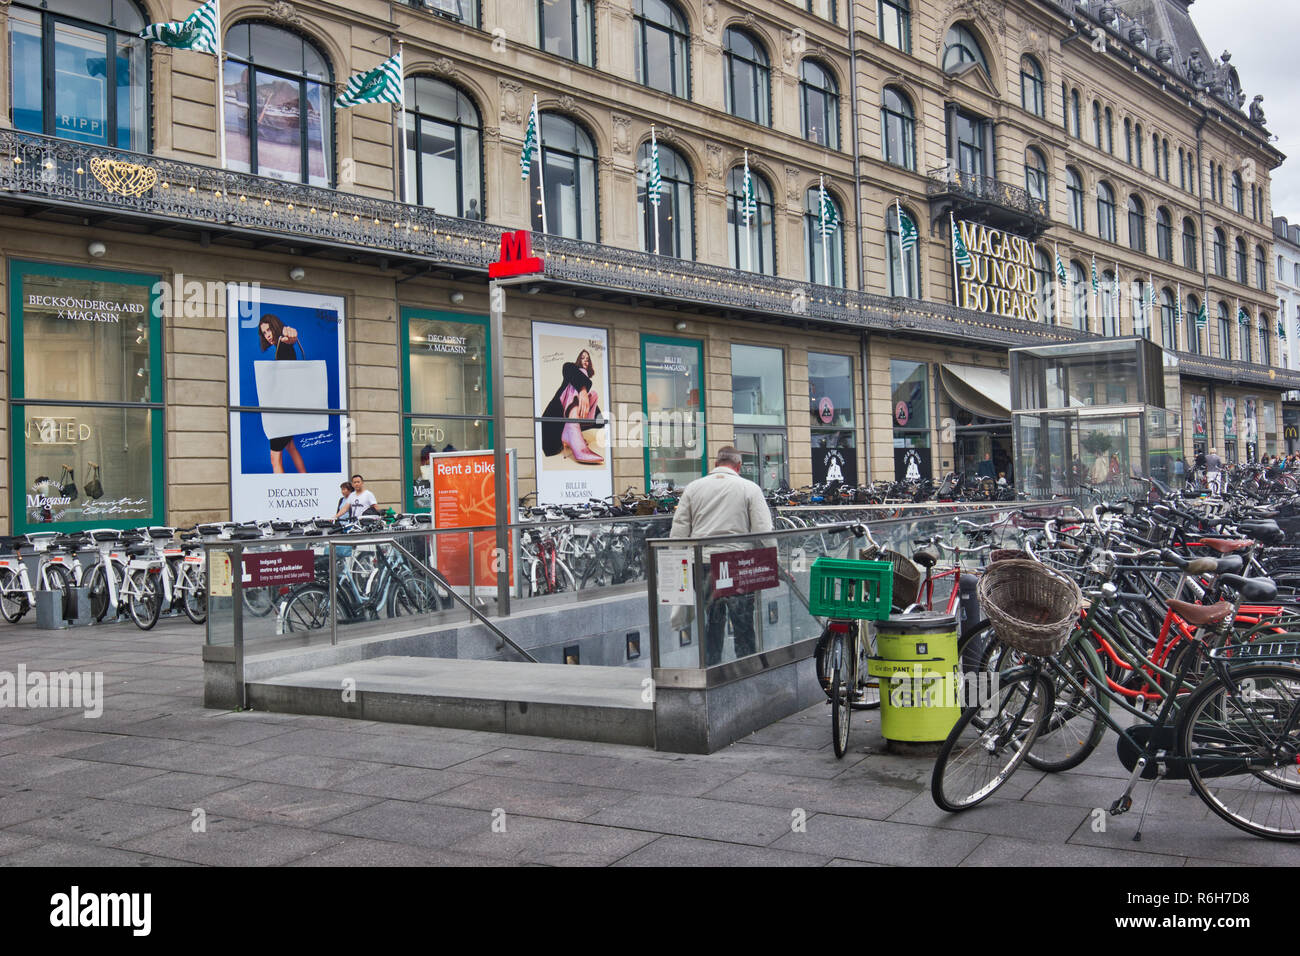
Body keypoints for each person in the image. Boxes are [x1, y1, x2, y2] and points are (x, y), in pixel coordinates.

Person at [669, 447, 773, 666]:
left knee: (712, 621)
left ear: (715, 464)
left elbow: (679, 530)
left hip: (704, 563)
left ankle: (711, 669)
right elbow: (763, 531)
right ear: (738, 466)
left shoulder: (693, 488)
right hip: (739, 564)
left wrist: (676, 568)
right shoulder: (749, 488)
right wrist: (777, 565)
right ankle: (747, 668)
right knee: (743, 622)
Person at [257, 313, 308, 474]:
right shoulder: (281, 349)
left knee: (275, 458)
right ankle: (307, 480)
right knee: (291, 447)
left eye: (269, 329)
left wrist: (289, 337)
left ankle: (280, 491)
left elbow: (290, 337)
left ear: (276, 327)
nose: (268, 335)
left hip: (284, 413)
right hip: (290, 410)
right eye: (264, 333)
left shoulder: (284, 346)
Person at [540, 349, 604, 464]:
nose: (585, 360)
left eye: (588, 359)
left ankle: (573, 431)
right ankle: (572, 431)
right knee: (577, 377)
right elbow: (569, 370)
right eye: (583, 357)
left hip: (567, 421)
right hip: (551, 426)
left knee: (593, 394)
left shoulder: (590, 397)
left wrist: (585, 392)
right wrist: (582, 390)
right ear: (578, 359)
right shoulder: (570, 367)